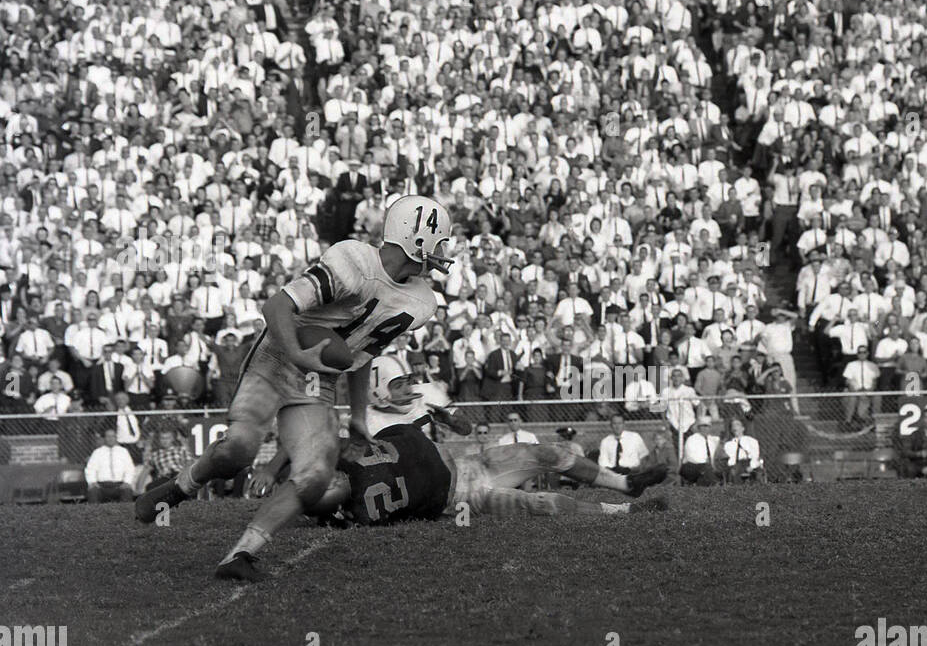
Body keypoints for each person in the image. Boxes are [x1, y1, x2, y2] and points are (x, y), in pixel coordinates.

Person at [134, 196, 451, 580]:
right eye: (439, 240)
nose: (443, 251)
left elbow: (360, 356)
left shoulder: (419, 302)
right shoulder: (352, 262)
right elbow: (275, 307)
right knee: (239, 448)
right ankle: (181, 487)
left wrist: (359, 418)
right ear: (417, 238)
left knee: (316, 473)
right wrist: (299, 356)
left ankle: (241, 554)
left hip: (322, 374)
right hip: (279, 353)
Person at [253, 422, 668, 524]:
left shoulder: (349, 454)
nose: (337, 478)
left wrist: (274, 468)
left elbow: (307, 438)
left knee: (548, 452)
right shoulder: (356, 506)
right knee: (540, 503)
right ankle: (622, 511)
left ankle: (626, 484)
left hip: (468, 462)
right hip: (461, 496)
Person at [84, 429, 138, 502]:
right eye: (108, 436)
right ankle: (94, 513)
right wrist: (92, 482)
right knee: (93, 491)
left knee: (127, 490)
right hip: (101, 486)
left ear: (116, 438)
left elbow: (130, 469)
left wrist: (127, 482)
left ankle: (126, 513)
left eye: (113, 436)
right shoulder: (97, 452)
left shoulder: (123, 451)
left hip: (119, 485)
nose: (110, 438)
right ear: (104, 438)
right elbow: (90, 469)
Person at [897, 407, 927, 478]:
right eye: (926, 417)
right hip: (917, 463)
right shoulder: (915, 434)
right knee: (908, 468)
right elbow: (906, 451)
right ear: (923, 419)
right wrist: (918, 454)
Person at [679, 414, 724, 485]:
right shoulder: (692, 439)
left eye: (707, 426)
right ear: (698, 428)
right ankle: (714, 484)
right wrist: (706, 464)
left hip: (707, 468)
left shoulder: (712, 440)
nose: (705, 429)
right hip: (691, 466)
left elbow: (719, 443)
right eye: (703, 426)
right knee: (706, 469)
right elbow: (691, 457)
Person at [723, 417, 763, 482]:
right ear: (731, 430)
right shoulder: (728, 445)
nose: (734, 427)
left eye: (737, 424)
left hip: (750, 464)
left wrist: (751, 466)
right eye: (733, 425)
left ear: (743, 428)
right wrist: (733, 468)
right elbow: (730, 460)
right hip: (735, 468)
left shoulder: (751, 441)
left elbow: (755, 456)